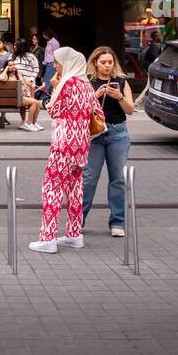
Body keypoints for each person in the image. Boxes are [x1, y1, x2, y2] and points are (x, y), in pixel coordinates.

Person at [29, 47, 103, 254]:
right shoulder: (86, 84)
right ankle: (74, 234)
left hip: (63, 144)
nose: (55, 66)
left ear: (67, 63)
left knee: (52, 187)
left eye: (57, 62)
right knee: (75, 189)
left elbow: (53, 110)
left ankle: (48, 238)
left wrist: (55, 86)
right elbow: (99, 113)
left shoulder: (67, 84)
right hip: (81, 145)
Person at [82, 47, 135, 238]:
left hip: (117, 132)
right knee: (89, 178)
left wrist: (118, 96)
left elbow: (130, 110)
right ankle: (78, 221)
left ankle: (117, 222)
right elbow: (81, 108)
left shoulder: (121, 81)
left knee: (118, 179)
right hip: (95, 135)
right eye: (103, 62)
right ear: (95, 63)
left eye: (110, 62)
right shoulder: (88, 81)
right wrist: (95, 96)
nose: (107, 66)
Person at [12, 37, 42, 131]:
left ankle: (33, 122)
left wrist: (31, 80)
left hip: (29, 84)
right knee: (24, 104)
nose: (14, 46)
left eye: (16, 45)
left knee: (33, 103)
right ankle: (24, 122)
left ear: (21, 46)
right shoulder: (12, 56)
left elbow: (36, 69)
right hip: (18, 84)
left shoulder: (31, 56)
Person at [41, 27, 60, 92]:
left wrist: (55, 64)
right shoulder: (48, 42)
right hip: (47, 64)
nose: (44, 36)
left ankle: (46, 96)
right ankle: (45, 95)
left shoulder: (54, 42)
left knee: (48, 82)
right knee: (46, 81)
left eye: (45, 34)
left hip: (52, 64)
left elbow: (57, 54)